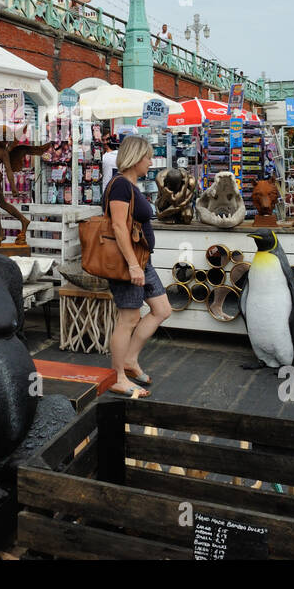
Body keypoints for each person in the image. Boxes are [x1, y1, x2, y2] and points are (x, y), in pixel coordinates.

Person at [104, 135, 170, 397]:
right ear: (135, 158)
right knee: (128, 317)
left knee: (162, 309)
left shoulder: (130, 185)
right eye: (148, 157)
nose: (151, 162)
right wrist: (132, 265)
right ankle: (118, 376)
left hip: (142, 259)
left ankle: (130, 360)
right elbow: (118, 226)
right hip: (128, 261)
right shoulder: (120, 185)